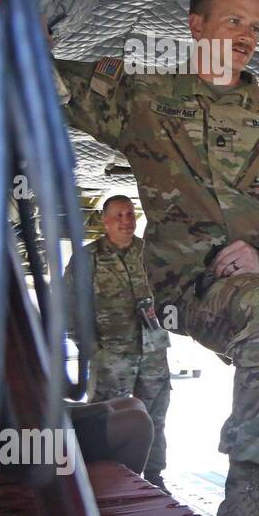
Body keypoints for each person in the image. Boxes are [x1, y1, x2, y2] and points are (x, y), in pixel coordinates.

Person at [52, 0, 259, 516]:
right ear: (196, 27)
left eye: (256, 26)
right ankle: (245, 495)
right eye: (234, 21)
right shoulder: (147, 99)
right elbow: (44, 80)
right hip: (191, 286)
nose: (247, 36)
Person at [63, 194, 173, 488]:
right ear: (105, 221)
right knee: (105, 422)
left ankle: (152, 478)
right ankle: (104, 481)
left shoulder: (152, 254)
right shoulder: (87, 259)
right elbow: (69, 309)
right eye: (118, 215)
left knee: (154, 419)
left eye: (129, 214)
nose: (125, 221)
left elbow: (172, 294)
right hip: (111, 359)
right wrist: (92, 350)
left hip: (153, 353)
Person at [67, 397, 155, 476]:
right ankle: (122, 489)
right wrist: (82, 411)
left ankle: (122, 481)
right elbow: (76, 392)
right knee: (140, 424)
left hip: (60, 414)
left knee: (134, 403)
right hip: (56, 435)